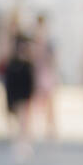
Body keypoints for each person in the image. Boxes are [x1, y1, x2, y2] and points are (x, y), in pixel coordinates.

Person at [3, 32, 35, 160]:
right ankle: (18, 139)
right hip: (14, 90)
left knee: (23, 116)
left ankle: (23, 140)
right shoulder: (12, 60)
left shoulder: (29, 62)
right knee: (14, 116)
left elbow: (31, 79)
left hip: (23, 90)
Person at [29, 14, 59, 142]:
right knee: (36, 101)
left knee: (48, 102)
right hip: (39, 72)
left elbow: (53, 59)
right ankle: (38, 127)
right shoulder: (34, 40)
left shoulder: (47, 41)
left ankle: (50, 128)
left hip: (45, 72)